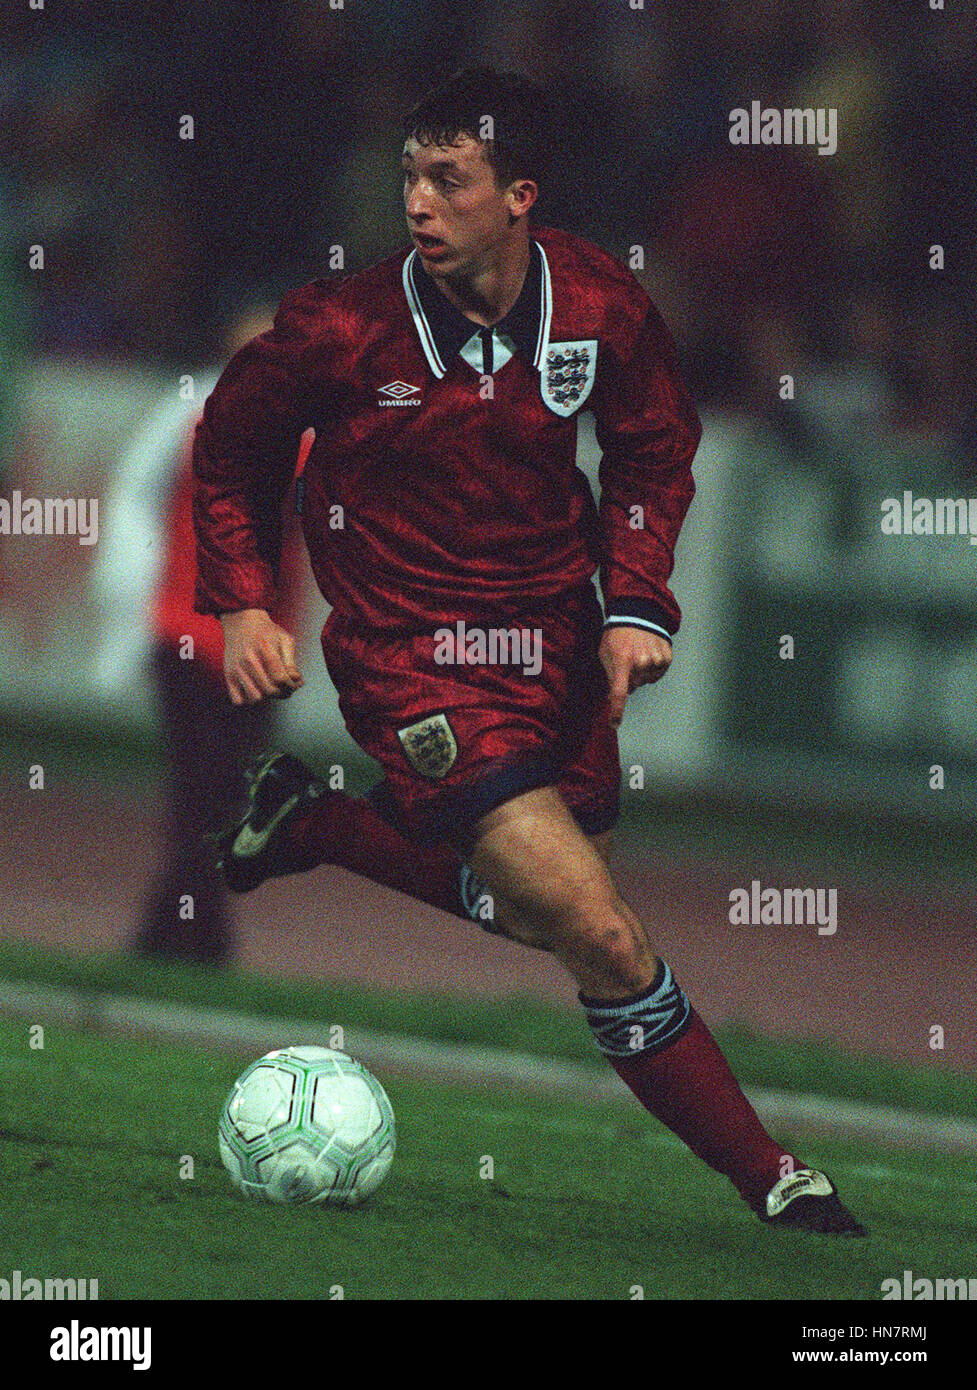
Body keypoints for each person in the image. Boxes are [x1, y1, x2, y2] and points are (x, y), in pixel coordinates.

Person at [194, 67, 864, 1234]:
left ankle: (314, 822)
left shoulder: (600, 304)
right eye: (409, 174)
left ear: (518, 196)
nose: (416, 201)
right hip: (411, 656)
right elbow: (232, 446)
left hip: (553, 645)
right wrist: (244, 601)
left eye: (446, 179)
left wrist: (635, 604)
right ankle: (774, 1176)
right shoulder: (340, 325)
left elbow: (655, 448)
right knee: (599, 932)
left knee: (535, 912)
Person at [94, 304, 307, 964]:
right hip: (194, 637)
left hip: (251, 650)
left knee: (217, 799)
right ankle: (197, 941)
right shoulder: (240, 431)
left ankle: (171, 939)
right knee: (210, 794)